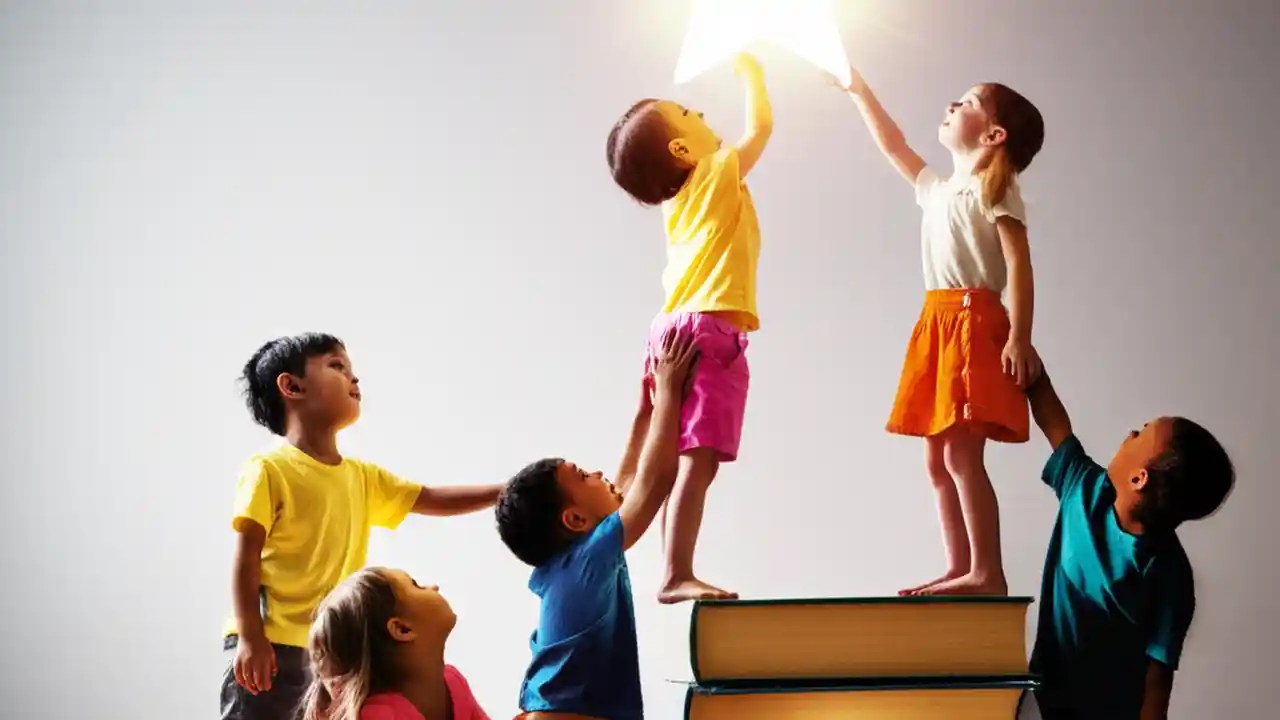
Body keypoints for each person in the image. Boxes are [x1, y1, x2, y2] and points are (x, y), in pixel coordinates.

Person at [836, 68, 1045, 595]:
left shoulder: (994, 189)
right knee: (936, 457)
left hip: (975, 320)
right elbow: (894, 147)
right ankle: (960, 567)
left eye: (970, 101)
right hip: (937, 320)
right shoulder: (939, 189)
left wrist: (1019, 336)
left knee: (960, 454)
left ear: (993, 135)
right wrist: (861, 90)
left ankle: (986, 572)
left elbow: (1019, 264)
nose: (953, 103)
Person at [221, 332, 503, 720]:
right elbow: (245, 557)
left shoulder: (362, 477)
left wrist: (506, 491)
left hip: (335, 652)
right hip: (271, 646)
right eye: (337, 366)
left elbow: (431, 498)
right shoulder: (269, 469)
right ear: (291, 386)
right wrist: (251, 636)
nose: (354, 379)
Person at [604, 52, 773, 604]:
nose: (699, 110)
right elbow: (762, 129)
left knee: (662, 447)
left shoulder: (678, 203)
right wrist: (753, 74)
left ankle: (621, 515)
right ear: (681, 150)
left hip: (668, 328)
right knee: (696, 463)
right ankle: (676, 572)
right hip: (707, 334)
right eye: (686, 113)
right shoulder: (715, 172)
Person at [495, 330, 698, 719]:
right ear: (574, 520)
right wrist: (671, 391)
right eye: (585, 475)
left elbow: (621, 487)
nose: (600, 473)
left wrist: (646, 414)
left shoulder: (567, 563)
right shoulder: (588, 559)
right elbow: (652, 484)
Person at [1024, 365, 1234, 718]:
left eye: (1141, 433)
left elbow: (1157, 679)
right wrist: (1029, 364)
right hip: (1040, 704)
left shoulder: (1169, 573)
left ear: (1139, 478)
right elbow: (1053, 420)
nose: (1130, 431)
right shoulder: (1083, 487)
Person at [301, 567, 490, 720]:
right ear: (402, 629)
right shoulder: (378, 716)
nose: (434, 587)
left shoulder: (454, 682)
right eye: (417, 586)